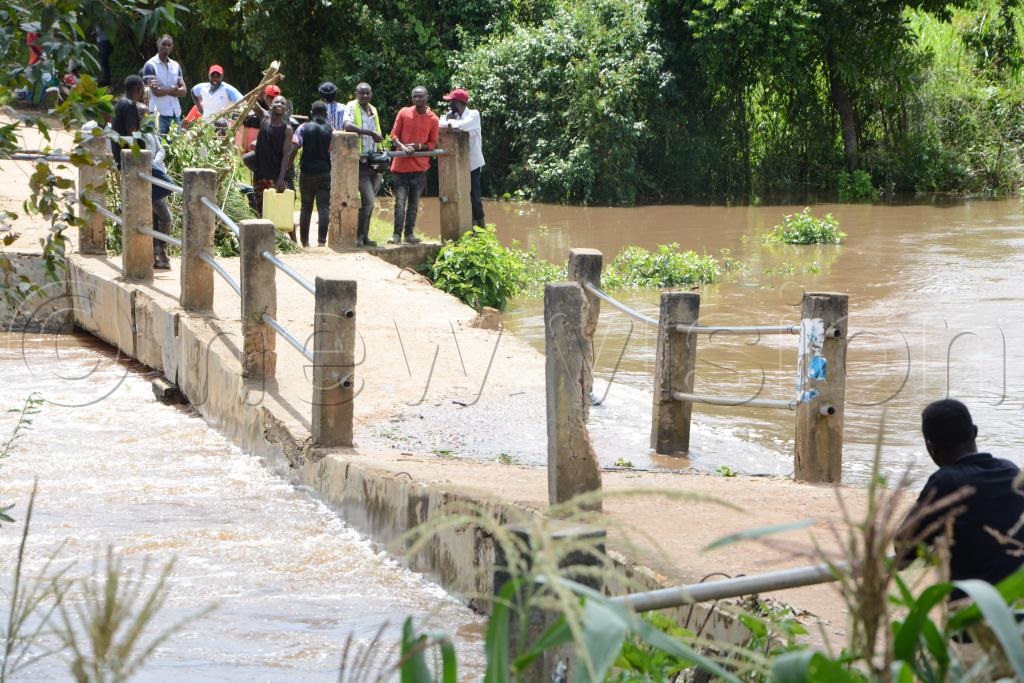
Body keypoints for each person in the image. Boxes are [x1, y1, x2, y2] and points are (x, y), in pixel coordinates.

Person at [895, 399, 1024, 599]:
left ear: (931, 447)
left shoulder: (946, 482)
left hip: (973, 609)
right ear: (975, 432)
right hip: (1016, 603)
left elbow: (903, 547)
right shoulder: (1011, 470)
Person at [388, 85, 438, 244]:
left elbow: (432, 144)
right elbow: (393, 135)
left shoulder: (433, 119)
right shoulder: (404, 112)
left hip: (420, 168)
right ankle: (396, 235)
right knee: (400, 203)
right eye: (414, 96)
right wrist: (403, 147)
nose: (417, 99)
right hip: (401, 167)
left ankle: (409, 234)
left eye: (420, 96)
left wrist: (418, 146)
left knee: (414, 204)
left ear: (427, 97)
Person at [343, 82, 385, 247]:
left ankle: (365, 236)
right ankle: (359, 236)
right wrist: (370, 133)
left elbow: (378, 132)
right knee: (369, 201)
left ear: (371, 94)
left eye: (367, 93)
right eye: (361, 93)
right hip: (359, 161)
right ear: (356, 94)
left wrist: (381, 150)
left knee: (370, 203)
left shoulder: (373, 109)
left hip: (374, 161)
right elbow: (347, 126)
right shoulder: (351, 106)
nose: (365, 96)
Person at [439, 88, 486, 229]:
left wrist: (450, 123)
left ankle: (481, 228)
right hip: (458, 164)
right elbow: (439, 125)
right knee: (460, 195)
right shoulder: (452, 116)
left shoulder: (474, 114)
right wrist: (450, 122)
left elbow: (461, 125)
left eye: (451, 101)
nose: (449, 104)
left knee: (474, 197)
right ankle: (467, 226)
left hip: (473, 164)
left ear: (458, 102)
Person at [252, 95, 295, 241]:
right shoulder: (264, 118)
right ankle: (267, 241)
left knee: (281, 210)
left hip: (275, 176)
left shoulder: (287, 130)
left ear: (286, 109)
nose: (279, 104)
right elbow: (251, 102)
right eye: (277, 102)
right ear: (270, 105)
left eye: (283, 103)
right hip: (260, 174)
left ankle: (294, 242)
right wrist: (257, 93)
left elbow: (286, 156)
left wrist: (282, 178)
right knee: (262, 210)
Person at [137, 103, 174, 270]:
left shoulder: (151, 132)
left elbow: (161, 149)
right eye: (141, 114)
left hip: (158, 176)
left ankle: (160, 252)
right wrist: (152, 164)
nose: (145, 118)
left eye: (147, 114)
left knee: (158, 218)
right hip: (151, 181)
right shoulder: (135, 135)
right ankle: (158, 251)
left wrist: (155, 162)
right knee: (164, 218)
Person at [291, 101, 332, 247]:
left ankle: (305, 242)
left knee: (306, 207)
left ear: (311, 113)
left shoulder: (303, 128)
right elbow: (333, 152)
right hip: (325, 173)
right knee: (324, 207)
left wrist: (289, 166)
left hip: (307, 173)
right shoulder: (331, 130)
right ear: (326, 114)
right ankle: (321, 242)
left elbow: (294, 147)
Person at [141, 34, 186, 134]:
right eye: (164, 44)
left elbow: (183, 91)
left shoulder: (176, 65)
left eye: (169, 45)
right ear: (158, 44)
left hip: (175, 114)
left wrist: (163, 89)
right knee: (158, 143)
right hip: (158, 114)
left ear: (172, 47)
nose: (166, 47)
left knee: (176, 143)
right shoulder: (150, 65)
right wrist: (173, 87)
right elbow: (156, 92)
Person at [111, 75, 146, 167]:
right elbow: (132, 134)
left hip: (120, 156)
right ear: (139, 89)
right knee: (163, 176)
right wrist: (139, 161)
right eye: (143, 90)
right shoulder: (130, 105)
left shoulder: (120, 103)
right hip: (129, 160)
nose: (144, 93)